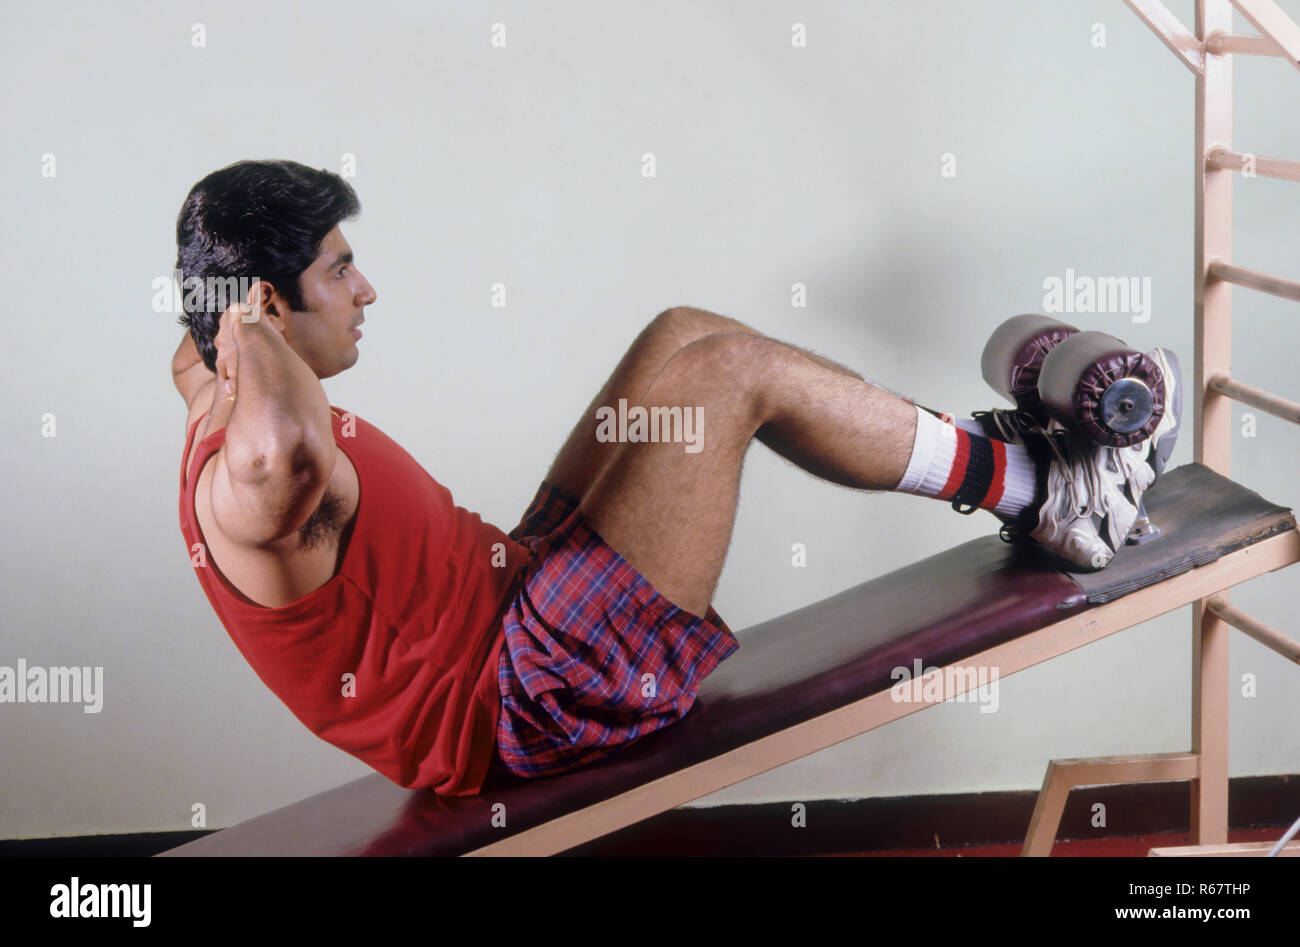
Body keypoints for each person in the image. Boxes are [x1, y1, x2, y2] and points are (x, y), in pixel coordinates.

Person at [172, 159, 1180, 793]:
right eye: (338, 270)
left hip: (516, 594)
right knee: (730, 378)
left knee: (684, 336)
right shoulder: (257, 478)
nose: (366, 290)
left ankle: (1011, 461)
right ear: (263, 304)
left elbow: (194, 353)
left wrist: (232, 322)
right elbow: (278, 449)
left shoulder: (209, 376)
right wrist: (250, 324)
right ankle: (1046, 491)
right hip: (525, 695)